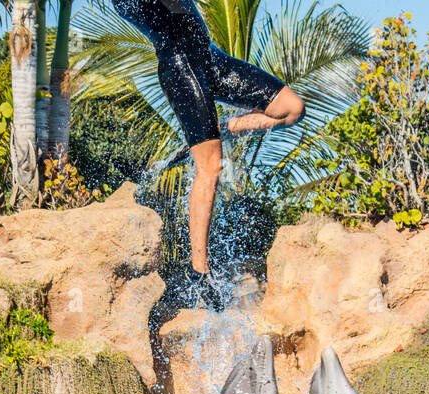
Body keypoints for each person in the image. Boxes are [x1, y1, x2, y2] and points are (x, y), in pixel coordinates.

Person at [114, 0, 305, 312]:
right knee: (211, 167)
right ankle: (198, 270)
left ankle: (225, 128)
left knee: (293, 108)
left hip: (212, 59)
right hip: (181, 67)